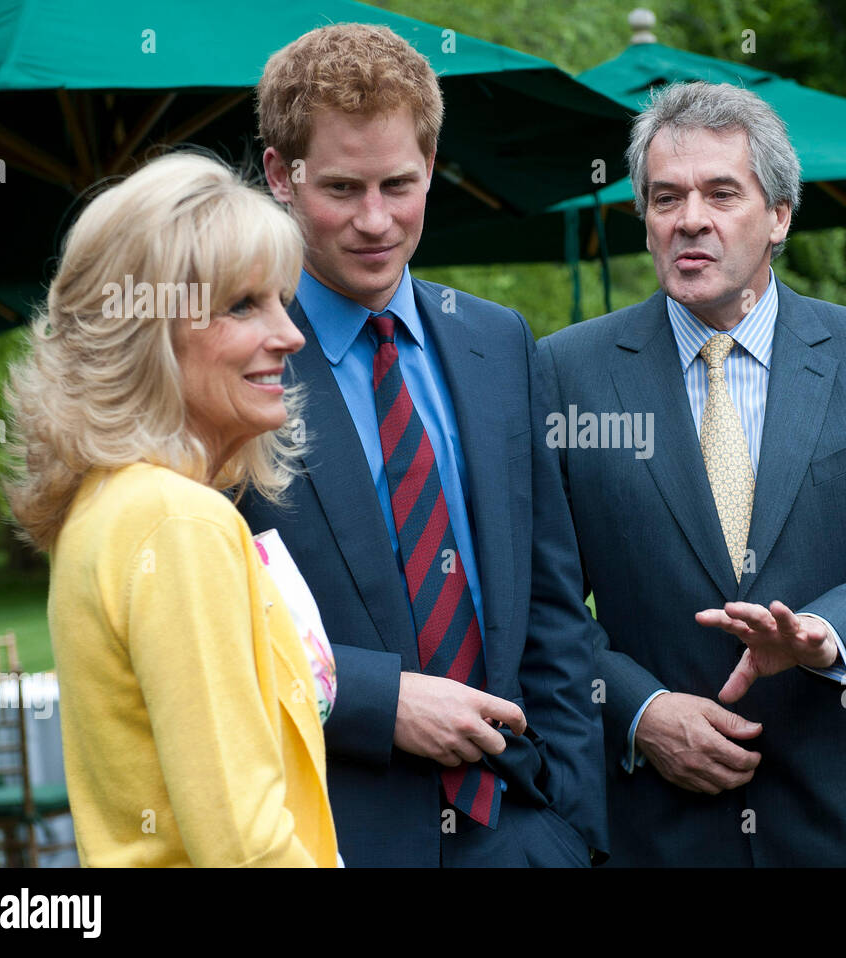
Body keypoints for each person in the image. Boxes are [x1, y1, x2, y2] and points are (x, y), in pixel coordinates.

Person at [537, 81, 846, 866]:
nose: (690, 219)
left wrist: (827, 634)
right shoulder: (566, 372)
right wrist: (640, 711)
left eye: (721, 192)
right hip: (655, 820)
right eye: (665, 197)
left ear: (778, 215)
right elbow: (541, 598)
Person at [238, 22, 606, 867]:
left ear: (433, 167)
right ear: (278, 175)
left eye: (398, 184)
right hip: (333, 836)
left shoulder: (499, 341)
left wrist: (573, 826)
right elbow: (212, 620)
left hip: (523, 829)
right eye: (342, 188)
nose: (376, 221)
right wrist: (375, 701)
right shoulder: (229, 362)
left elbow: (552, 603)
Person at [3, 153, 338, 866]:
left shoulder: (111, 504)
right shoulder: (175, 523)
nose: (290, 335)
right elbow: (245, 847)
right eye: (244, 305)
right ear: (147, 332)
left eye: (282, 299)